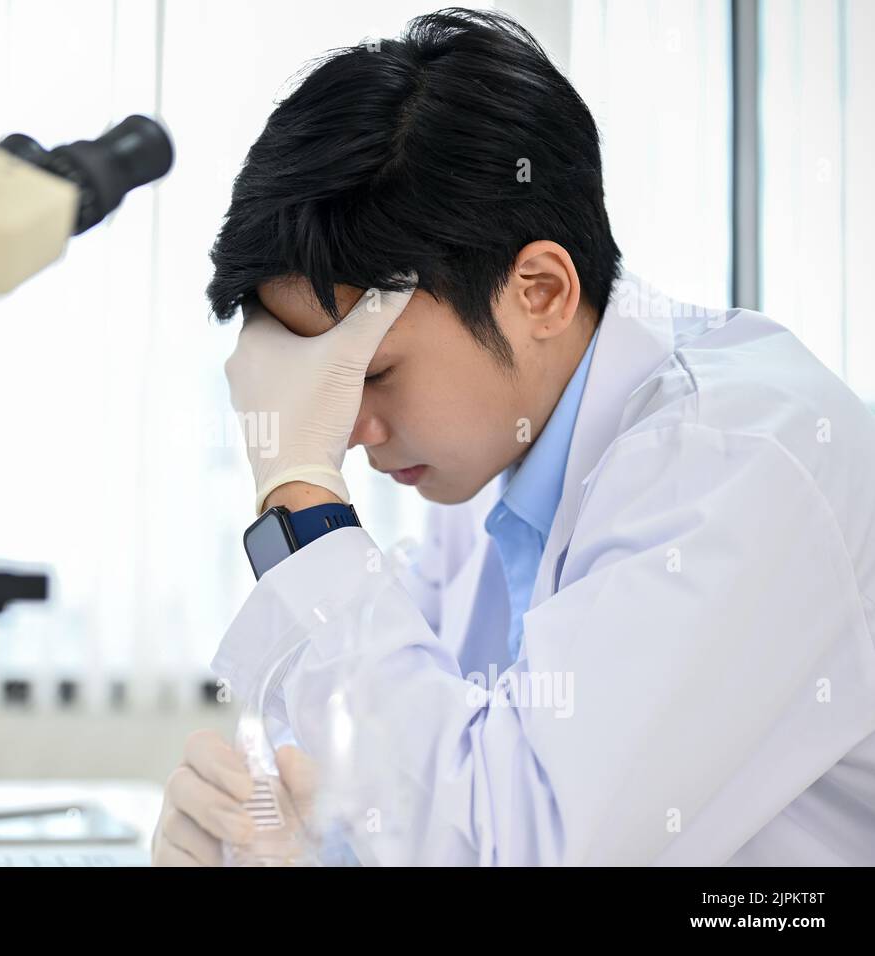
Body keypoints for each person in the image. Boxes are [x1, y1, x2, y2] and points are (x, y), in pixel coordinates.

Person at [150, 8, 875, 866]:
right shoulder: (488, 475)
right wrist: (262, 835)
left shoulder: (739, 460)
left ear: (538, 291)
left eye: (370, 373)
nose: (346, 435)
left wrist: (301, 498)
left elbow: (513, 845)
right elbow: (391, 773)